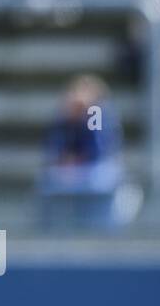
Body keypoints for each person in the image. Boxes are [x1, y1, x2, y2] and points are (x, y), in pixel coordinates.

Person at [38, 75, 124, 231]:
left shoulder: (98, 114)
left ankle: (102, 228)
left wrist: (86, 117)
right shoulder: (64, 116)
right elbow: (55, 148)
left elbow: (98, 150)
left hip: (95, 168)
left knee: (101, 179)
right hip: (70, 170)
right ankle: (51, 229)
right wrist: (69, 120)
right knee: (47, 181)